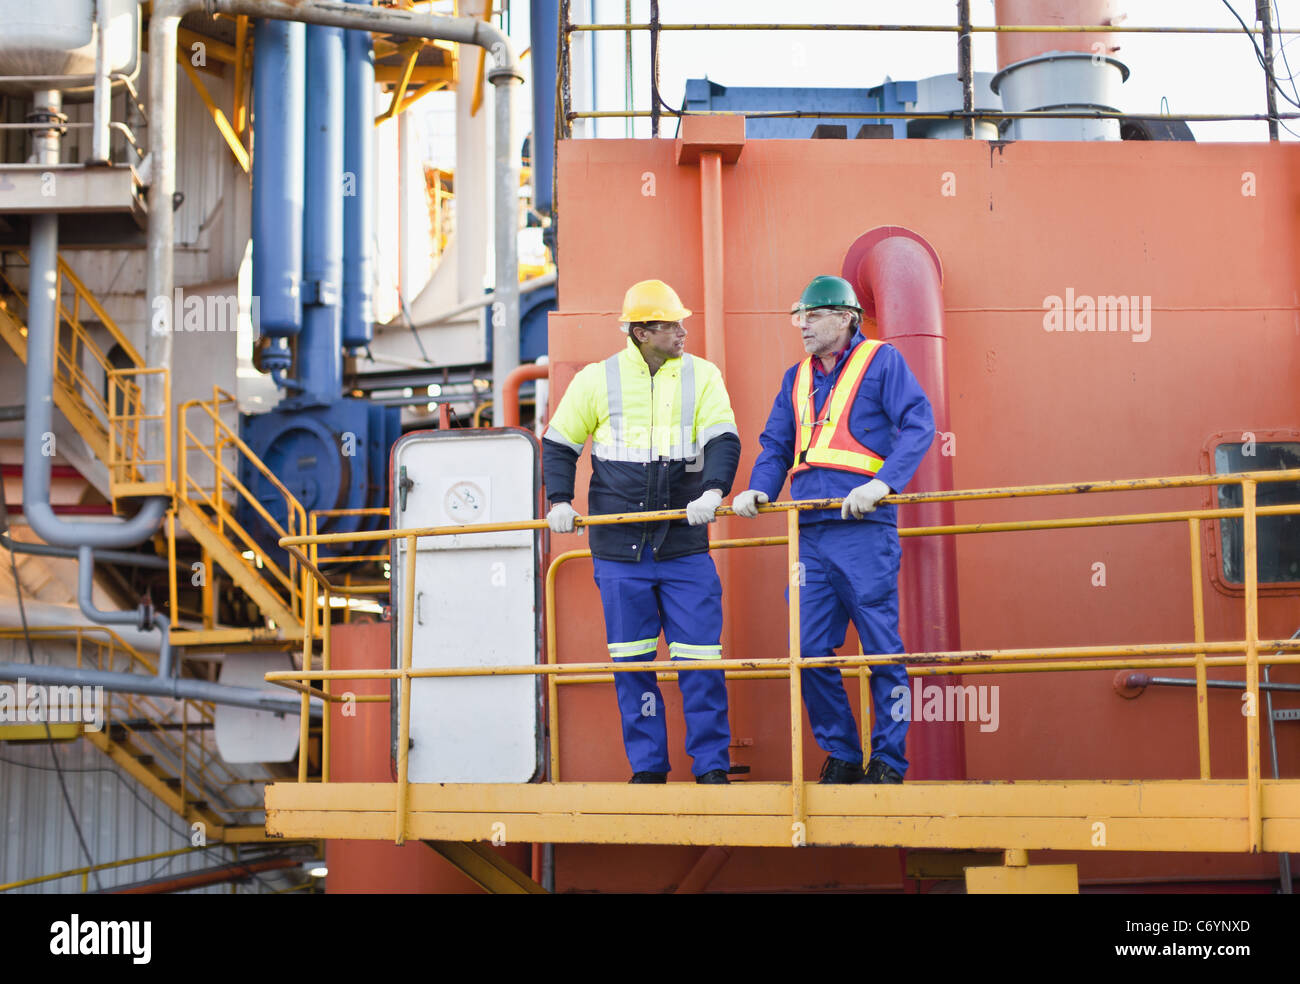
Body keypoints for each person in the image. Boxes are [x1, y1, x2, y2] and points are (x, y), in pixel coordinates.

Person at [732, 275, 935, 784]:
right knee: (808, 649)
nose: (802, 324)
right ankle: (843, 753)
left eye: (813, 314)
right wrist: (760, 487)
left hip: (862, 525)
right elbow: (776, 445)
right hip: (810, 529)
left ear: (845, 317)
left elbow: (919, 422)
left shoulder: (881, 361)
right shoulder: (795, 378)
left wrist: (884, 484)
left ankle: (888, 760)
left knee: (880, 645)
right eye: (798, 314)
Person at [542, 279, 742, 784]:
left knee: (700, 664)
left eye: (681, 323)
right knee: (633, 667)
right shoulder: (596, 379)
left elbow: (723, 437)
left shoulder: (702, 375)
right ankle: (649, 768)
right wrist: (559, 501)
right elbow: (560, 443)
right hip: (618, 548)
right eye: (671, 324)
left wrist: (714, 491)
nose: (682, 332)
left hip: (683, 544)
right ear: (640, 331)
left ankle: (712, 768)